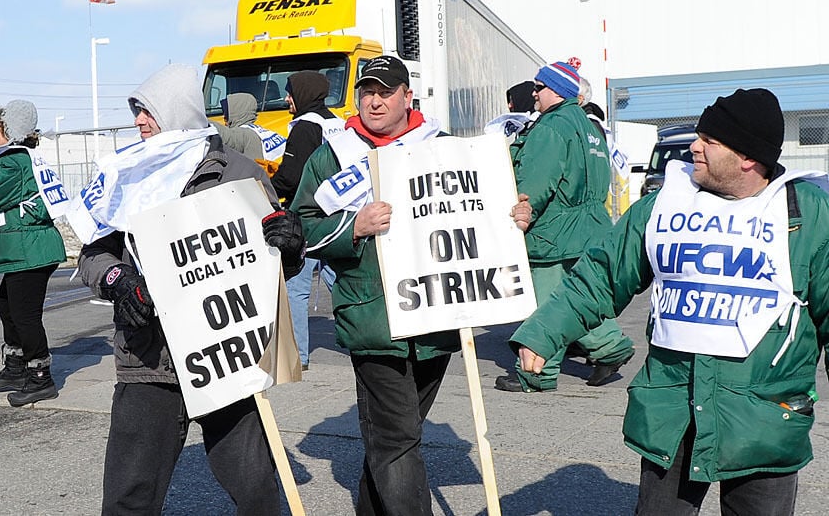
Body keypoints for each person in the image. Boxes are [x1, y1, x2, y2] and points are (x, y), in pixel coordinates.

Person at [512, 88, 829, 515]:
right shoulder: (662, 206)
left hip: (766, 418)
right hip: (673, 411)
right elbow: (601, 276)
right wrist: (543, 333)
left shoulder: (808, 215)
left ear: (748, 158)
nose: (694, 147)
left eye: (709, 141)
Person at [292, 55, 532, 514]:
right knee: (398, 439)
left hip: (437, 320)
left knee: (395, 437)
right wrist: (354, 226)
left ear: (407, 96)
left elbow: (488, 207)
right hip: (373, 317)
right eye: (367, 92)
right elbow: (301, 226)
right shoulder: (334, 153)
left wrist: (514, 215)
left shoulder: (444, 147)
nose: (374, 100)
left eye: (385, 91)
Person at [75, 64, 305, 514]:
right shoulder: (126, 174)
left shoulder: (237, 171)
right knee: (129, 498)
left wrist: (289, 246)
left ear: (177, 111)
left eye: (148, 111)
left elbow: (270, 264)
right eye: (137, 111)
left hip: (225, 356)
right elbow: (92, 255)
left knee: (257, 490)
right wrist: (118, 281)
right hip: (148, 358)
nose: (139, 121)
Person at [494, 61, 635, 393]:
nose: (534, 94)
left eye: (539, 88)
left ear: (555, 90)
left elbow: (536, 181)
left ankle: (537, 371)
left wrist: (523, 210)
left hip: (554, 230)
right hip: (590, 226)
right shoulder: (590, 128)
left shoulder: (551, 127)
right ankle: (610, 347)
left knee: (547, 301)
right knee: (576, 296)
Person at [0, 100, 65, 406]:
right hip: (28, 248)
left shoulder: (13, 163)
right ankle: (16, 366)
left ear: (11, 130)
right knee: (6, 305)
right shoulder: (18, 158)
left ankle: (40, 376)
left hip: (32, 250)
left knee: (24, 315)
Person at [272, 70, 344, 370]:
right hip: (339, 215)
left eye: (289, 92)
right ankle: (360, 340)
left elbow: (291, 178)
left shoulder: (305, 127)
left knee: (296, 289)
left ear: (302, 94)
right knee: (339, 280)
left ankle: (298, 356)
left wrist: (266, 188)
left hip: (309, 218)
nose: (287, 98)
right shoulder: (338, 124)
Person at [212, 92, 265, 160]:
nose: (224, 120)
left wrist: (199, 119)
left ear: (236, 114)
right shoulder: (262, 131)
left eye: (227, 116)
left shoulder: (244, 135)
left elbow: (224, 134)